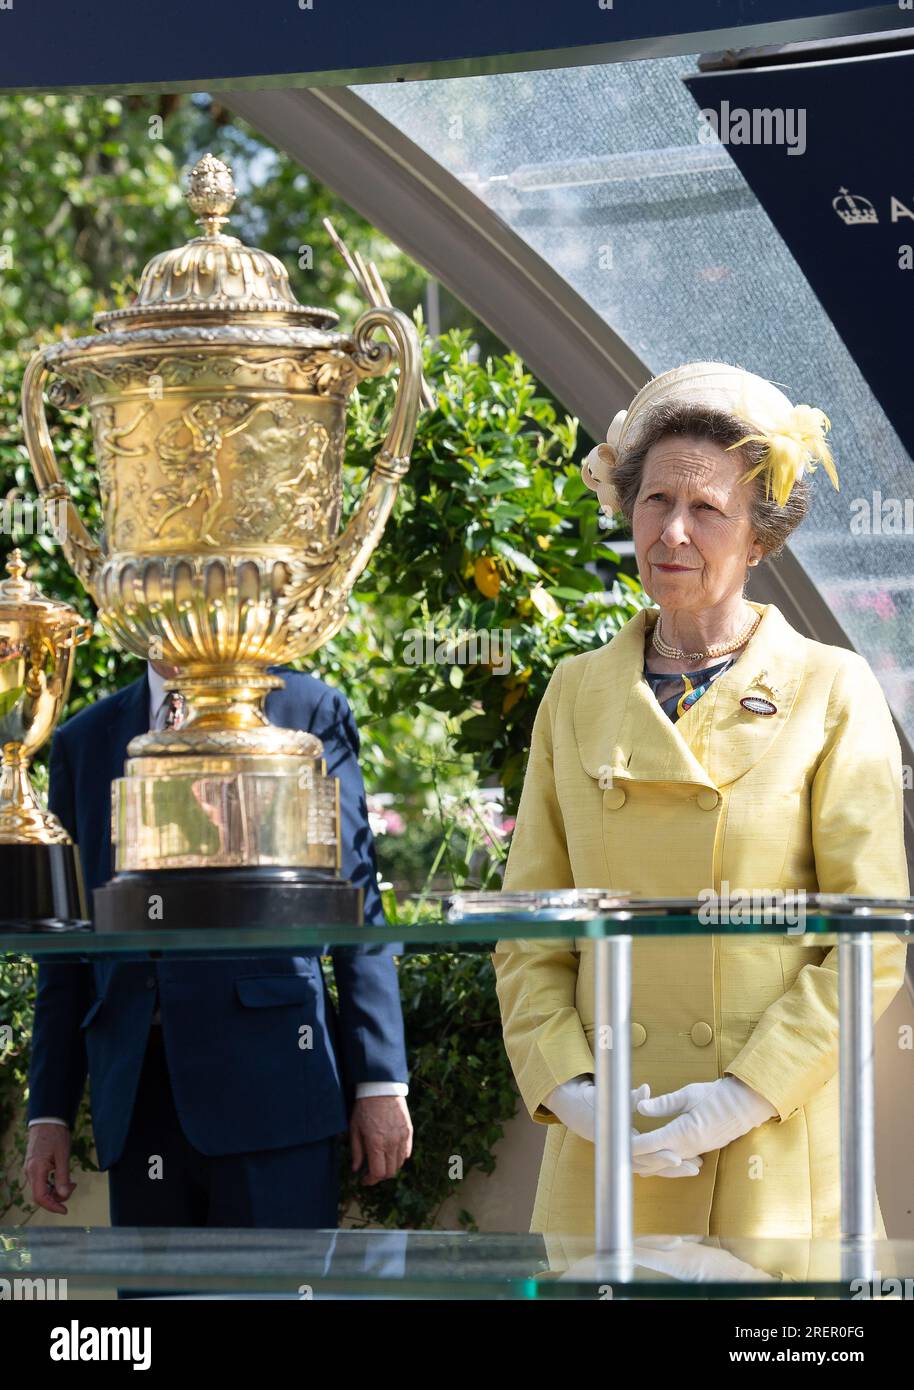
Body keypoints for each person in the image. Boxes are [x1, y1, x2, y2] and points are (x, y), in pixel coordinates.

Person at [493, 360, 909, 1238]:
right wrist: (574, 1093)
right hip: (612, 1156)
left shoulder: (833, 690)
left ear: (760, 535)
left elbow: (870, 940)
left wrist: (741, 1095)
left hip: (775, 1154)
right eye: (654, 502)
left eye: (708, 509)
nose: (673, 531)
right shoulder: (574, 692)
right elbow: (531, 926)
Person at [25, 658, 412, 1228]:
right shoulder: (85, 737)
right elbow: (65, 950)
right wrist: (48, 1113)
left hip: (275, 1085)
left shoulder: (306, 708)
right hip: (137, 1100)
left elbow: (355, 901)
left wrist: (380, 1080)